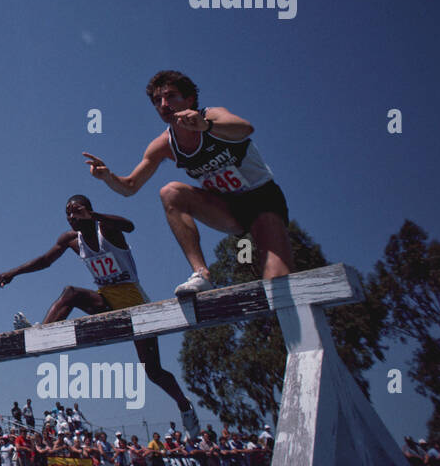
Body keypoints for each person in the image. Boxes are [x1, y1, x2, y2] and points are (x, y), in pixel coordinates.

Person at [0, 194, 200, 435]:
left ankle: (184, 407)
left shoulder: (106, 229)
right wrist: (12, 273)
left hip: (137, 307)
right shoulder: (71, 239)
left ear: (89, 211)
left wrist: (95, 216)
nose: (72, 217)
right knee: (71, 293)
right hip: (107, 302)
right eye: (67, 214)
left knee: (153, 371)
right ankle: (41, 336)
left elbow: (129, 226)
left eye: (76, 211)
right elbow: (45, 261)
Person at [83, 70, 293, 296]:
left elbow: (245, 128)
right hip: (226, 207)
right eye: (157, 101)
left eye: (171, 96)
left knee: (277, 278)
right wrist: (108, 177)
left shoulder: (212, 115)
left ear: (189, 99)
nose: (163, 104)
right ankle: (201, 274)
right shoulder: (163, 145)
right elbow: (130, 187)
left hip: (261, 199)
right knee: (171, 192)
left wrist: (207, 127)